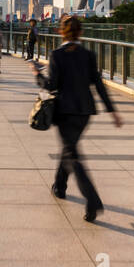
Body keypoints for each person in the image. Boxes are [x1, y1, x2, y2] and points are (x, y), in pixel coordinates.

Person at [34, 15, 122, 223]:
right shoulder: (87, 54)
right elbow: (98, 85)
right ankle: (59, 186)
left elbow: (50, 85)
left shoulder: (57, 55)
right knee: (69, 147)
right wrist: (112, 111)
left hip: (64, 111)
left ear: (60, 32)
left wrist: (37, 74)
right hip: (84, 112)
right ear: (81, 32)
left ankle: (92, 199)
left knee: (72, 154)